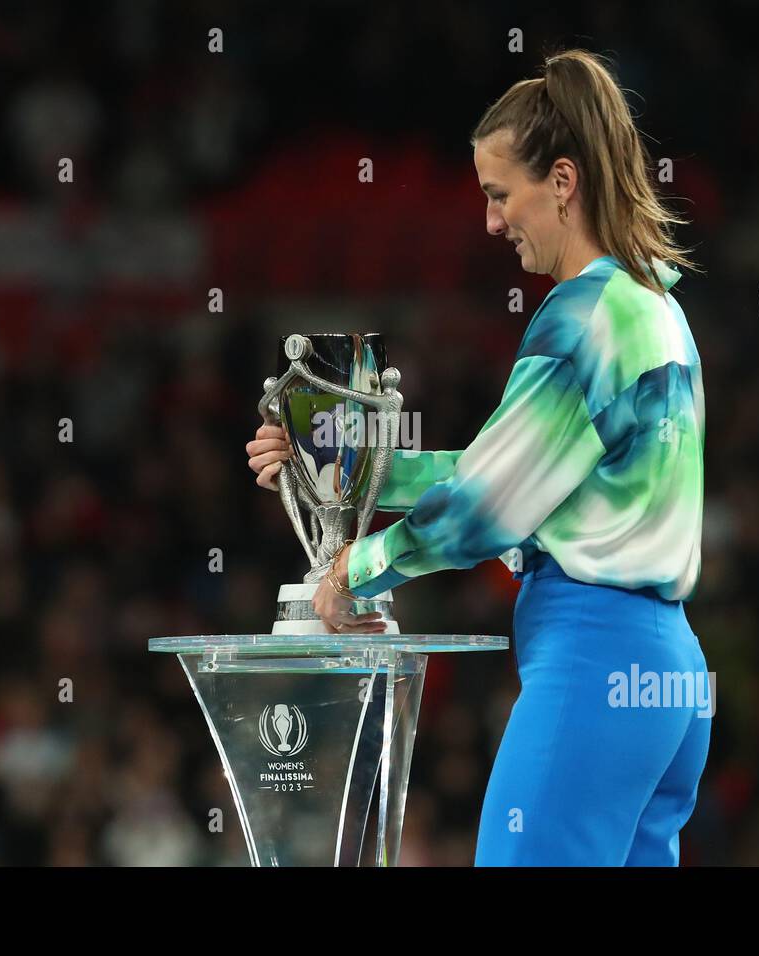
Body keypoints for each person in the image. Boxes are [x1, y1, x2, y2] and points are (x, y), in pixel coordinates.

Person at [246, 48, 710, 866]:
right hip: (669, 679)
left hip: (595, 665)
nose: (492, 222)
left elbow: (484, 509)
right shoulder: (655, 306)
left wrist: (354, 568)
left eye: (501, 195)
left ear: (561, 182)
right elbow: (511, 471)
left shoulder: (581, 318)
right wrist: (338, 463)